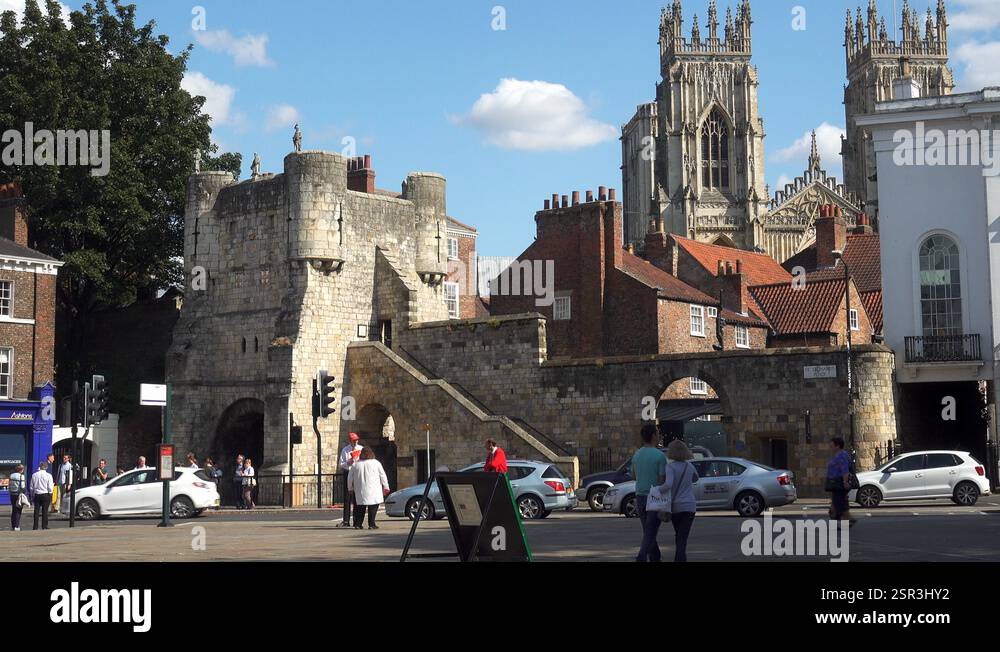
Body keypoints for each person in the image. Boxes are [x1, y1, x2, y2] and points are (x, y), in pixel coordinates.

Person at [632, 424, 666, 562]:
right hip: (655, 495)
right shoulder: (660, 456)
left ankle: (655, 557)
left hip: (639, 495)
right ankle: (641, 556)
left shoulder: (636, 455)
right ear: (653, 436)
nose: (659, 436)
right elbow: (663, 478)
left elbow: (633, 476)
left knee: (648, 530)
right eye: (657, 434)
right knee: (651, 530)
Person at [664, 439, 699, 563]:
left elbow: (668, 484)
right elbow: (696, 478)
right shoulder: (690, 466)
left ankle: (679, 559)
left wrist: (658, 489)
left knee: (679, 535)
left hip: (676, 507)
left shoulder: (670, 467)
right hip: (689, 506)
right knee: (682, 537)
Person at [346, 447, 390, 530]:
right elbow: (382, 475)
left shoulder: (356, 464)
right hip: (374, 489)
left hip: (360, 490)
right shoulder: (376, 463)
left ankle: (358, 524)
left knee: (360, 508)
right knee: (373, 506)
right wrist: (386, 486)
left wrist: (350, 488)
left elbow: (349, 478)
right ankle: (371, 524)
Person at [826, 437, 855, 526]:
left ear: (837, 446)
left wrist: (845, 482)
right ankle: (844, 519)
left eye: (831, 446)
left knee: (839, 502)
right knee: (838, 502)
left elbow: (844, 470)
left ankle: (847, 519)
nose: (830, 448)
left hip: (839, 483)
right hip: (835, 483)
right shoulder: (838, 455)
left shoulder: (842, 455)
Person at [337, 433, 362, 527]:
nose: (355, 442)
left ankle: (356, 520)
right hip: (348, 472)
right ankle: (346, 520)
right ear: (350, 441)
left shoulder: (361, 448)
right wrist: (348, 462)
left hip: (357, 473)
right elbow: (341, 464)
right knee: (347, 497)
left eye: (356, 440)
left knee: (357, 497)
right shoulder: (345, 450)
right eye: (354, 440)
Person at [30, 461, 54, 531]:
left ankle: (35, 526)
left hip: (37, 494)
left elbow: (31, 486)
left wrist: (31, 495)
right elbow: (50, 487)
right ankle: (44, 526)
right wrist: (51, 493)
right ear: (46, 467)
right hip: (45, 494)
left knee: (36, 511)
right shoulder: (48, 475)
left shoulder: (34, 475)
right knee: (45, 511)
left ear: (40, 467)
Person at [8, 464, 26, 531]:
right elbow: (22, 486)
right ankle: (17, 526)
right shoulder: (22, 476)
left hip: (12, 494)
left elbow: (9, 485)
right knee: (18, 510)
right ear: (21, 470)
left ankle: (13, 526)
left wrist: (9, 491)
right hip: (18, 494)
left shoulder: (11, 475)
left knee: (13, 510)